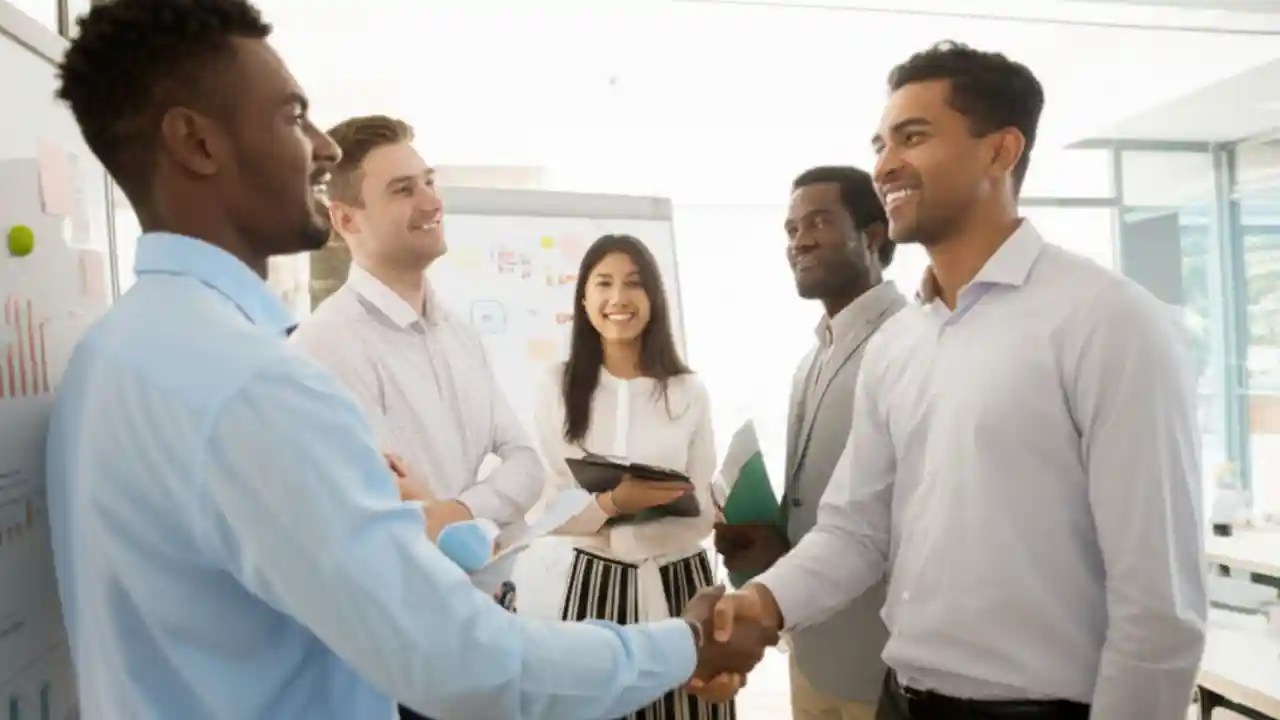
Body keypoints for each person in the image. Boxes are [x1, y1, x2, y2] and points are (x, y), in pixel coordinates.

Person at [44, 2, 777, 718]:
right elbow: (461, 664)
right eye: (292, 115)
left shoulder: (110, 353)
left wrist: (451, 519)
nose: (325, 149)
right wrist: (685, 645)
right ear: (198, 144)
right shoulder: (259, 383)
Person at [709, 41, 1206, 720]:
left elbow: (1158, 601)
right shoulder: (903, 343)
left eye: (913, 137)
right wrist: (760, 603)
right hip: (902, 700)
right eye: (881, 142)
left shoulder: (1107, 321)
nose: (884, 164)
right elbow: (856, 533)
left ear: (1000, 152)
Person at [291, 115, 542, 548]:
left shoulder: (460, 335)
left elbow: (526, 463)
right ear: (346, 220)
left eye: (429, 182)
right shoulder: (324, 347)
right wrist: (485, 518)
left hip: (488, 601)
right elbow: (395, 516)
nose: (431, 203)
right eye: (404, 190)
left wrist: (462, 513)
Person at [715, 166, 905, 720]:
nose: (799, 240)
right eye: (791, 228)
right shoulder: (812, 357)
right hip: (812, 643)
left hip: (884, 655)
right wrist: (770, 544)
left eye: (818, 222)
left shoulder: (907, 343)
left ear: (873, 235)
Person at [534, 234, 736, 719]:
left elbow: (701, 510)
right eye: (603, 283)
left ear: (653, 300)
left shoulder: (687, 391)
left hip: (681, 584)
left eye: (633, 284)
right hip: (595, 583)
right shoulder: (558, 386)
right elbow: (554, 510)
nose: (618, 298)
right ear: (584, 300)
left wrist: (702, 507)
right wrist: (613, 505)